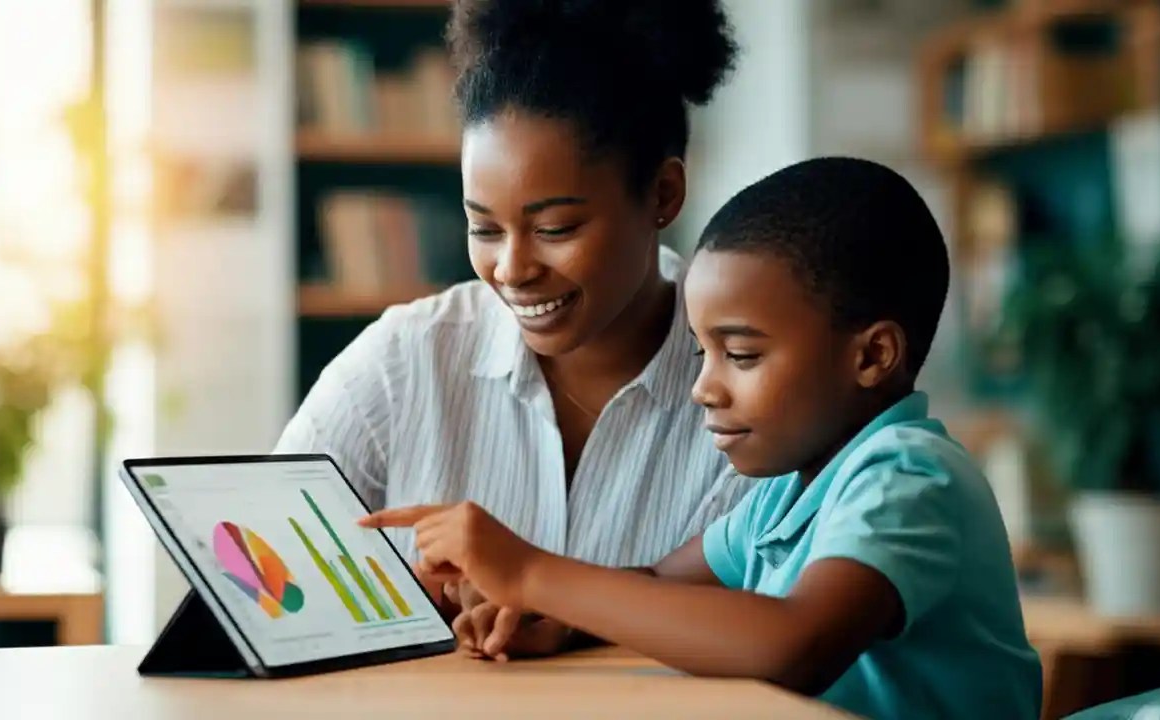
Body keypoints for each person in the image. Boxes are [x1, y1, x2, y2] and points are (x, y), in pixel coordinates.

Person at [360, 158, 1043, 720]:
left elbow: (790, 646)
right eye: (701, 355)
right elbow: (658, 581)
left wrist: (532, 572)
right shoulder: (786, 493)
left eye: (741, 357)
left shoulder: (909, 478)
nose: (704, 389)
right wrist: (557, 615)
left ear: (872, 357)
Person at [276, 0, 755, 652]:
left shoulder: (755, 386)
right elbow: (260, 575)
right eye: (484, 228)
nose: (511, 269)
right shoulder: (406, 358)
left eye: (555, 229)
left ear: (663, 196)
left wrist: (553, 602)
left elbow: (768, 622)